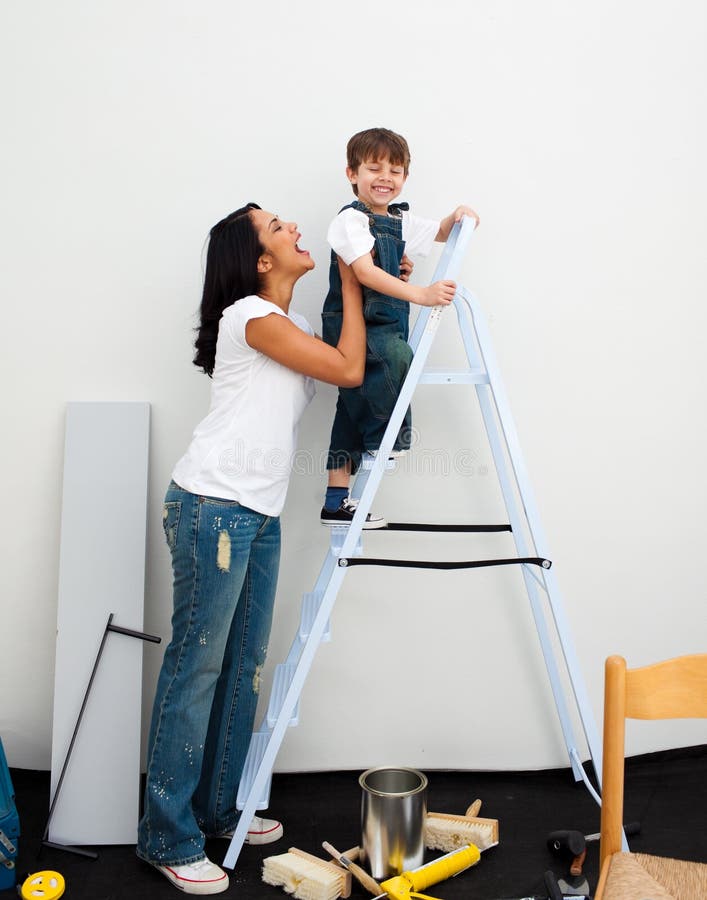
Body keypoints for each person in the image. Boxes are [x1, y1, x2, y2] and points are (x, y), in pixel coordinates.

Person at [136, 203, 367, 895]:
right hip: (213, 507)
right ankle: (166, 837)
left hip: (255, 512)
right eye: (277, 228)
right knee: (197, 668)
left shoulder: (284, 325)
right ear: (260, 261)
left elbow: (344, 363)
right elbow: (349, 371)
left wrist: (365, 279)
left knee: (243, 666)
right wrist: (356, 279)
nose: (294, 227)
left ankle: (217, 809)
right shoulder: (249, 317)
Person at [319, 127, 479, 528]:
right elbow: (366, 273)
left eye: (396, 170)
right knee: (395, 357)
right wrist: (422, 295)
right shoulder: (349, 222)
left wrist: (457, 216)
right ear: (352, 173)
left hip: (387, 322)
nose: (385, 177)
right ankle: (386, 439)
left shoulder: (398, 220)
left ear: (405, 178)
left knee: (348, 409)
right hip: (355, 324)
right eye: (374, 168)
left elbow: (438, 232)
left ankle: (336, 500)